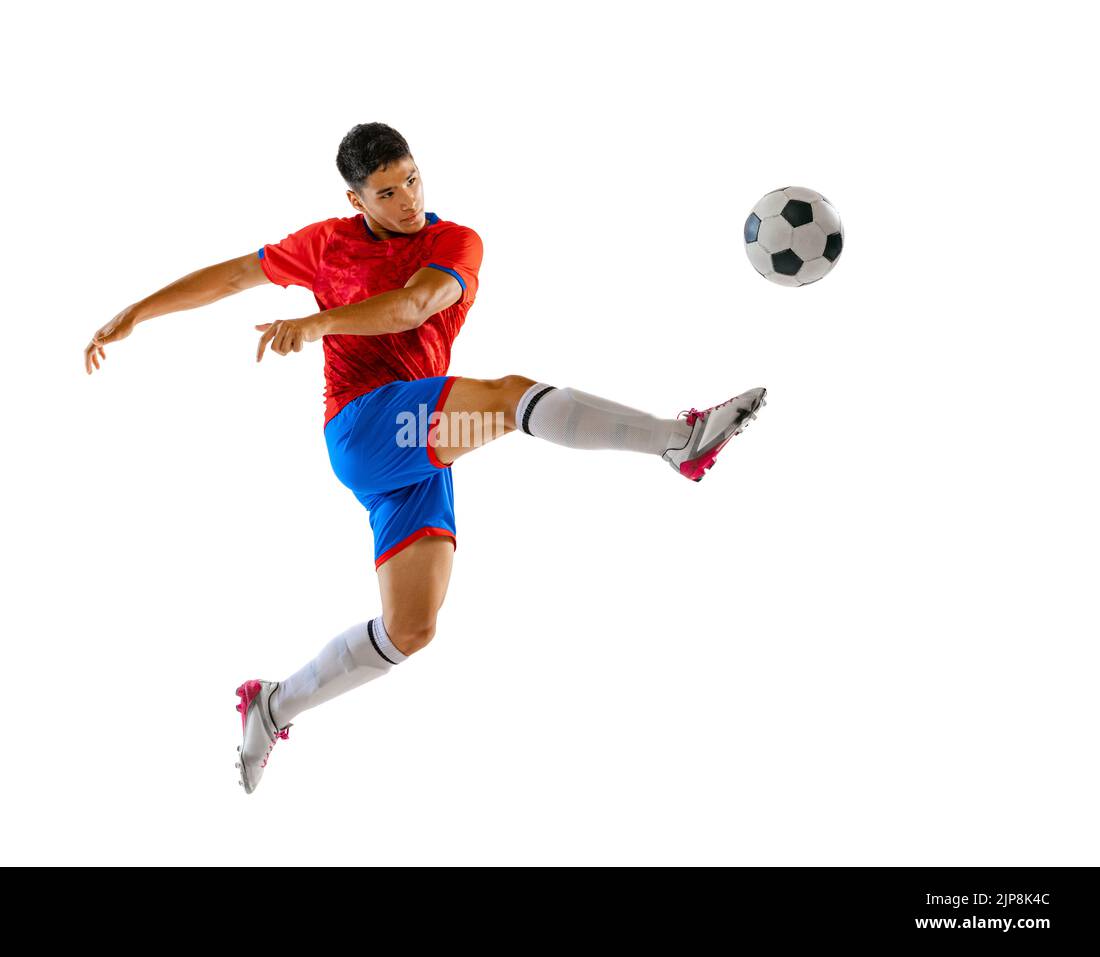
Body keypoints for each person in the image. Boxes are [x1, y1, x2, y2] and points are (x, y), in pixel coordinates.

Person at [85, 122, 767, 794]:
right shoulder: (325, 244)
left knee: (411, 628)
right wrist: (136, 313)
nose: (408, 199)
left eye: (412, 179)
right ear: (356, 199)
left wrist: (318, 322)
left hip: (417, 442)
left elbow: (414, 306)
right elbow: (236, 274)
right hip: (364, 426)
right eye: (387, 192)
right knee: (508, 398)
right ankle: (679, 442)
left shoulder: (454, 242)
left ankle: (272, 705)